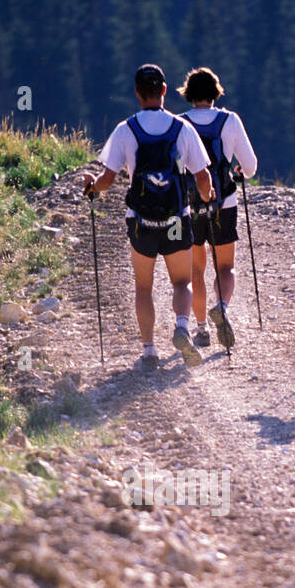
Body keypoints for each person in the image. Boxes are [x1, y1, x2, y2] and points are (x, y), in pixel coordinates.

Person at [82, 64, 213, 373]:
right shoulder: (182, 129)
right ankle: (182, 325)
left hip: (141, 221)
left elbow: (107, 179)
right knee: (181, 281)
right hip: (176, 220)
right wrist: (206, 200)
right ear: (165, 91)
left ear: (138, 93)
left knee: (144, 287)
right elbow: (203, 176)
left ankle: (149, 351)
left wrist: (91, 187)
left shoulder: (126, 129)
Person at [178, 67, 258, 351]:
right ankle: (221, 306)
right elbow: (250, 167)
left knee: (195, 270)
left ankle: (200, 330)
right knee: (225, 266)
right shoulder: (229, 120)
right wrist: (238, 171)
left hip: (189, 207)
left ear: (188, 94)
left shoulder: (179, 123)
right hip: (224, 203)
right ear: (215, 92)